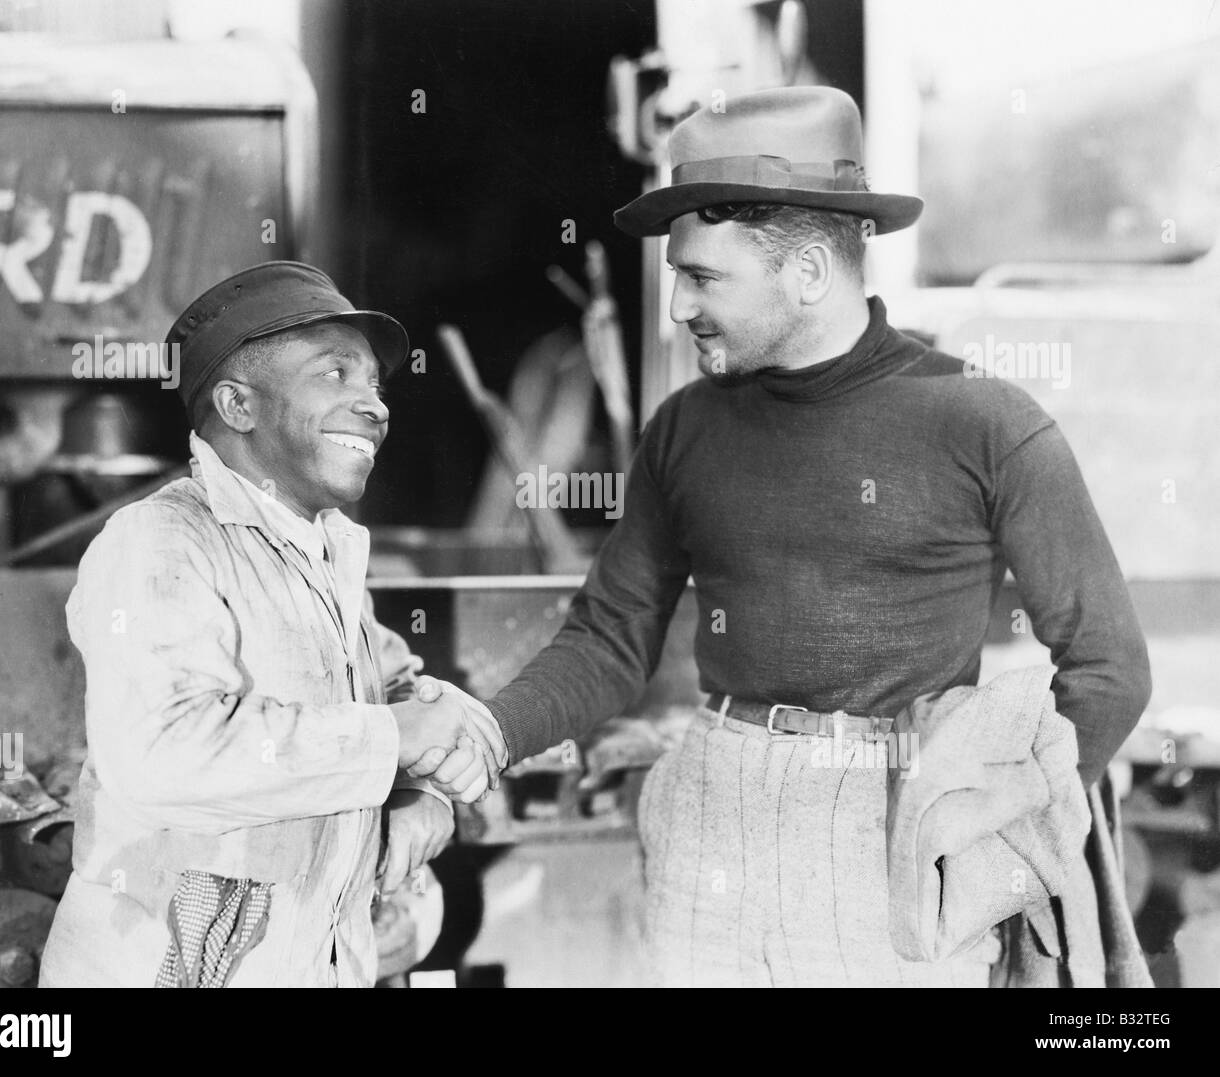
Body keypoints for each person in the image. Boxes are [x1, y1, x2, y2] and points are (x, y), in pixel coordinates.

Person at [484, 87, 1152, 986]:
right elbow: (609, 639)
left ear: (807, 272)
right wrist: (485, 732)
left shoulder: (985, 424)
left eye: (702, 278)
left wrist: (988, 825)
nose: (678, 307)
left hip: (891, 839)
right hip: (709, 824)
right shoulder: (684, 428)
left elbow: (1109, 671)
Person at [40, 261, 505, 988]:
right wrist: (400, 739)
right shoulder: (161, 540)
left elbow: (401, 697)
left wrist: (425, 800)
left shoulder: (323, 553)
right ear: (237, 403)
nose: (374, 405)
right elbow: (163, 752)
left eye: (374, 384)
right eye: (335, 374)